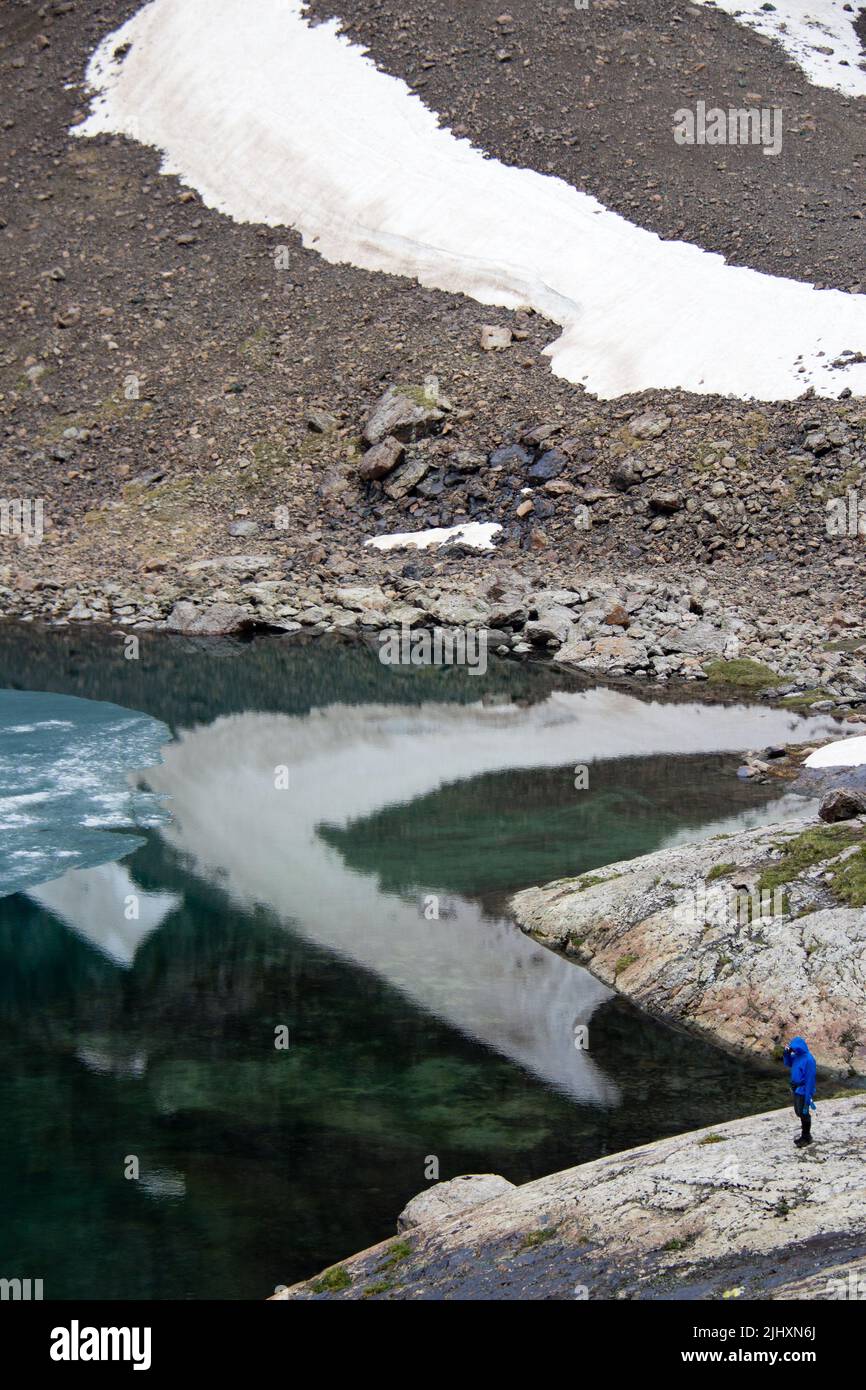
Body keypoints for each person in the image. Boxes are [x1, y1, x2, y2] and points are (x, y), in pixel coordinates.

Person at [783, 1036, 816, 1147]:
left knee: (803, 1112)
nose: (793, 1050)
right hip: (796, 1088)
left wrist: (808, 1096)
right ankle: (805, 1135)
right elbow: (788, 1063)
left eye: (794, 1048)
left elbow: (810, 1079)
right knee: (798, 1111)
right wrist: (786, 1053)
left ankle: (806, 1137)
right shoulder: (796, 1056)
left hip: (803, 1089)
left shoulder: (809, 1060)